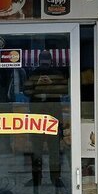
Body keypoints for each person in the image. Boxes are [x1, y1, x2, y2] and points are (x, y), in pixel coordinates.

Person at [22, 50, 68, 186]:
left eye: (46, 62)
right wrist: (37, 84)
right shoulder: (33, 74)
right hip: (38, 117)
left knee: (53, 149)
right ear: (39, 61)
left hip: (52, 117)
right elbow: (25, 91)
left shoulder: (57, 74)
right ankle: (37, 178)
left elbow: (65, 91)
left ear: (50, 61)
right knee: (37, 150)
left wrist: (51, 83)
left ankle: (54, 178)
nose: (45, 65)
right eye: (43, 62)